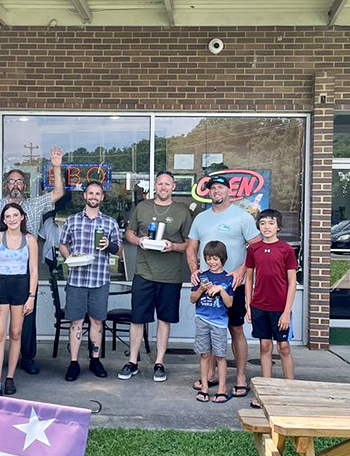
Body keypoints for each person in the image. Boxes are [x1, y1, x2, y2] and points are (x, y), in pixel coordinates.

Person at [0, 145, 64, 374]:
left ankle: (27, 358)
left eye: (19, 182)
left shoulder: (34, 205)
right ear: (6, 185)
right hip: (0, 272)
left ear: (24, 186)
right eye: (11, 181)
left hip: (26, 271)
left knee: (26, 319)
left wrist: (56, 167)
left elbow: (58, 193)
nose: (15, 185)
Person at [186, 175, 261, 398]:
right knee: (208, 328)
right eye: (212, 188)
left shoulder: (242, 217)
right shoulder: (201, 218)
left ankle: (240, 377)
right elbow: (191, 248)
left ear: (229, 191)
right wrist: (194, 271)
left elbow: (256, 248)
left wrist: (241, 270)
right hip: (207, 285)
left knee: (235, 329)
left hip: (233, 284)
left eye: (220, 187)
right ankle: (209, 375)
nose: (216, 191)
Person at [118, 170, 191, 382]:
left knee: (165, 320)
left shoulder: (182, 212)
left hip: (170, 275)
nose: (163, 187)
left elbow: (189, 244)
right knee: (137, 319)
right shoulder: (143, 207)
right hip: (144, 272)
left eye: (167, 184)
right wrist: (138, 241)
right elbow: (129, 233)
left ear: (173, 187)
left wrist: (173, 246)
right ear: (155, 186)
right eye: (160, 183)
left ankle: (159, 363)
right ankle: (132, 361)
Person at [58, 181, 122, 381]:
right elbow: (62, 244)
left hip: (99, 279)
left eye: (97, 194)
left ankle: (95, 360)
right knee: (76, 321)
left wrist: (108, 245)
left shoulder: (110, 223)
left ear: (102, 197)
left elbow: (119, 250)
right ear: (84, 196)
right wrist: (69, 258)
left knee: (97, 320)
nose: (94, 196)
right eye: (90, 193)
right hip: (76, 279)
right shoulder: (72, 220)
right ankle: (73, 362)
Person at [244, 208, 298, 407]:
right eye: (263, 223)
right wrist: (248, 305)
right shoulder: (254, 249)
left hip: (280, 308)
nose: (267, 227)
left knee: (283, 347)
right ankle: (265, 392)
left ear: (278, 227)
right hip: (259, 306)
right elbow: (249, 278)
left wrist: (286, 312)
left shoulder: (286, 250)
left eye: (271, 223)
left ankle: (290, 390)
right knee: (265, 346)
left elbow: (292, 283)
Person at [0, 203, 39, 396]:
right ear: (3, 219)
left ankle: (10, 377)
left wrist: (31, 296)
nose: (12, 219)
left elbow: (34, 270)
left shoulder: (30, 240)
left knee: (16, 333)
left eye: (15, 215)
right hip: (1, 286)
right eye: (8, 216)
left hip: (21, 287)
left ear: (22, 217)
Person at [190, 241, 234, 403]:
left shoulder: (228, 279)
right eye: (208, 258)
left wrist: (221, 289)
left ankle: (222, 388)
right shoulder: (201, 276)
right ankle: (204, 387)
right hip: (202, 319)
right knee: (204, 354)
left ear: (223, 258)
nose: (212, 262)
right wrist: (201, 289)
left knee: (220, 355)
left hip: (219, 323)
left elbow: (229, 303)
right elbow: (192, 299)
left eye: (215, 258)